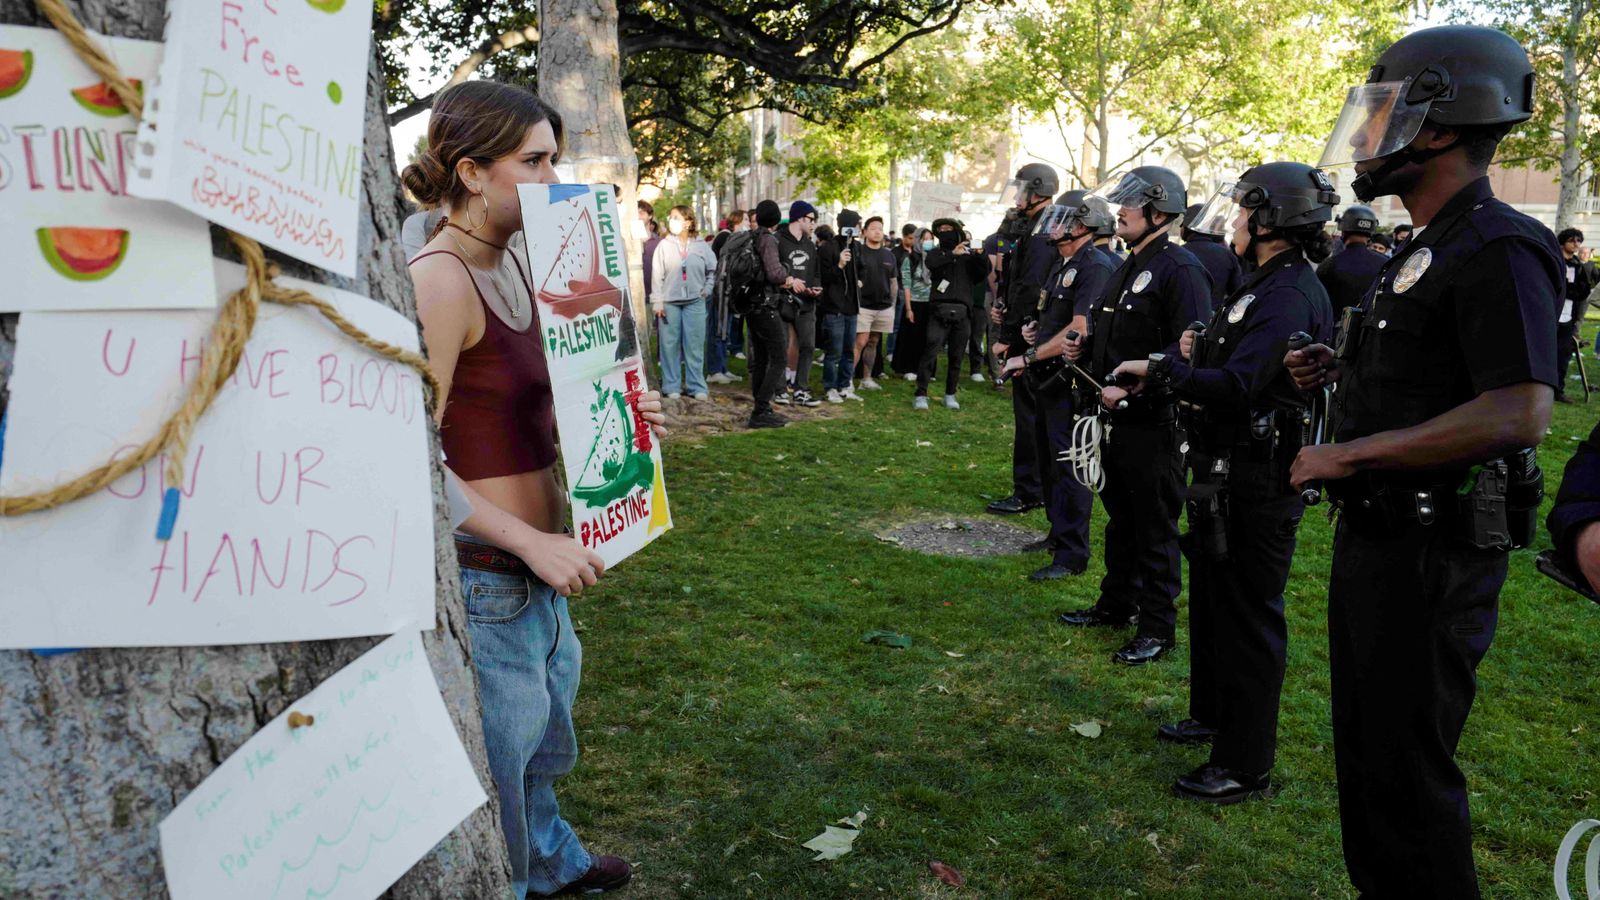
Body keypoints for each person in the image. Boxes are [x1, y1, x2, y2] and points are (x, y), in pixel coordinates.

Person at [1285, 26, 1560, 896]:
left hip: (1435, 553)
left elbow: (1521, 409)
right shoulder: (1424, 243)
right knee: (1370, 758)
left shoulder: (1501, 243)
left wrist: (1353, 451)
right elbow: (1433, 374)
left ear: (1438, 126)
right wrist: (1338, 367)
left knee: (1408, 772)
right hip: (1382, 539)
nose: (1364, 141)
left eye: (1380, 119)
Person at [403, 80, 653, 898]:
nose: (555, 179)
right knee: (499, 767)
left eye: (556, 159)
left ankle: (552, 865)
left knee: (546, 748)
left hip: (546, 571)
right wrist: (532, 542)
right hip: (490, 574)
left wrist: (628, 408)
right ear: (472, 173)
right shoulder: (438, 280)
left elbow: (564, 395)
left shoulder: (526, 259)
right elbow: (406, 457)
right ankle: (508, 883)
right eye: (534, 162)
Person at [1109, 162, 1337, 802]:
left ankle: (1245, 762)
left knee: (1248, 617)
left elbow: (1240, 387)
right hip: (1222, 470)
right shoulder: (1260, 285)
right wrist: (1190, 350)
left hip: (1259, 478)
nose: (1233, 221)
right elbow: (1232, 361)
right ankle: (1211, 715)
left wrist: (1160, 372)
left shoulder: (1288, 292)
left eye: (1242, 211)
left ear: (1269, 218)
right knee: (1212, 601)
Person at [1056, 165, 1212, 666]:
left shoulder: (1181, 268)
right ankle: (1116, 604)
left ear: (1160, 213)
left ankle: (1157, 627)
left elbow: (1190, 344)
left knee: (1155, 526)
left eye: (1130, 202)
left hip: (1155, 423)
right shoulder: (1125, 262)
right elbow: (1113, 329)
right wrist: (1085, 351)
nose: (1119, 209)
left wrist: (1136, 387)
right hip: (1113, 418)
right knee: (1120, 520)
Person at [1002, 190, 1118, 581]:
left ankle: (1071, 555)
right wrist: (1035, 332)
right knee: (1050, 463)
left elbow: (1080, 327)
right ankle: (1057, 535)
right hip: (1049, 381)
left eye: (1065, 220)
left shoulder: (1094, 266)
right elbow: (1056, 317)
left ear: (1083, 225)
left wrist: (1029, 356)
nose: (1055, 226)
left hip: (1070, 384)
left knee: (1070, 468)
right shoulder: (1061, 263)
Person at [987, 163, 1060, 515]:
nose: (1016, 197)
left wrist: (1009, 337)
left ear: (1038, 191)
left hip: (1031, 337)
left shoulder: (1043, 231)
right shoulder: (1034, 227)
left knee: (1029, 417)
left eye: (1021, 190)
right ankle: (1035, 487)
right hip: (1029, 331)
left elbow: (1032, 288)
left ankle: (1030, 490)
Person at [917, 220, 986, 410]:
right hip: (938, 309)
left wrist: (980, 256)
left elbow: (982, 274)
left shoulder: (968, 255)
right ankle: (921, 393)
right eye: (941, 230)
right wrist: (951, 255)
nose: (944, 232)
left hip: (963, 311)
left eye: (949, 229)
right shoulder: (936, 253)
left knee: (956, 356)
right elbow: (932, 263)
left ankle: (950, 394)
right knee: (930, 351)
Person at [649, 205, 716, 400]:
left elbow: (712, 270)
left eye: (676, 217)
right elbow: (657, 275)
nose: (672, 221)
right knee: (669, 346)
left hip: (695, 301)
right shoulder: (664, 245)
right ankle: (671, 386)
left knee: (694, 345)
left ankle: (697, 386)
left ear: (688, 222)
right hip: (669, 302)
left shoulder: (701, 246)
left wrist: (707, 289)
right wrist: (657, 302)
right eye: (671, 217)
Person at [747, 200, 799, 428]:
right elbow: (775, 273)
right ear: (777, 220)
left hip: (751, 304)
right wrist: (787, 270)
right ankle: (761, 410)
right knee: (778, 358)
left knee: (761, 359)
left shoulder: (751, 237)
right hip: (765, 305)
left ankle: (760, 407)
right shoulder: (768, 239)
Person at [777, 201, 824, 407]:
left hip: (806, 303)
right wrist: (788, 281)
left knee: (808, 345)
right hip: (782, 302)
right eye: (811, 219)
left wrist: (816, 287)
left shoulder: (809, 244)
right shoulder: (778, 240)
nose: (814, 224)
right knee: (780, 346)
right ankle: (779, 389)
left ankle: (801, 390)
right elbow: (773, 271)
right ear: (800, 218)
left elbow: (815, 273)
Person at [818, 209, 864, 403]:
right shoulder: (828, 247)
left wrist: (859, 278)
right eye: (857, 225)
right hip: (834, 308)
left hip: (852, 307)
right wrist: (839, 266)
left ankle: (845, 385)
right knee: (834, 351)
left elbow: (861, 268)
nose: (860, 228)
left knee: (848, 350)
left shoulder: (857, 247)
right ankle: (830, 387)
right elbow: (824, 277)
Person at [852, 216, 901, 391]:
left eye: (880, 228)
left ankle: (867, 378)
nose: (877, 231)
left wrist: (893, 305)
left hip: (884, 307)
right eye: (873, 228)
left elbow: (893, 281)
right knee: (860, 341)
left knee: (873, 341)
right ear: (864, 232)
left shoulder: (889, 255)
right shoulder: (858, 252)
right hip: (863, 306)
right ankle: (847, 381)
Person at [1315, 205, 1385, 314]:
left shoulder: (1329, 265)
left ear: (1343, 231)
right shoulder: (1385, 264)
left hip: (1337, 328)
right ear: (1371, 232)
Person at [1182, 202, 1243, 305]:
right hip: (1213, 318)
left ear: (1187, 225)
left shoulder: (1176, 254)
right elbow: (1237, 294)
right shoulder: (1227, 255)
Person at [896, 228, 935, 387]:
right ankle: (910, 368)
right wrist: (908, 308)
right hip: (915, 302)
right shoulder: (910, 259)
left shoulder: (935, 258)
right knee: (913, 337)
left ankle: (928, 370)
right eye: (924, 239)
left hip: (932, 303)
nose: (928, 242)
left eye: (930, 239)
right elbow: (906, 285)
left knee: (930, 338)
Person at [1557, 228, 1593, 402]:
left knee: (1564, 354)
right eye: (1572, 240)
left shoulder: (1578, 265)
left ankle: (1559, 389)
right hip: (1552, 314)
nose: (1576, 244)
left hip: (1568, 316)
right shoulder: (1555, 261)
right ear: (1564, 241)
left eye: (1579, 241)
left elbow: (1583, 290)